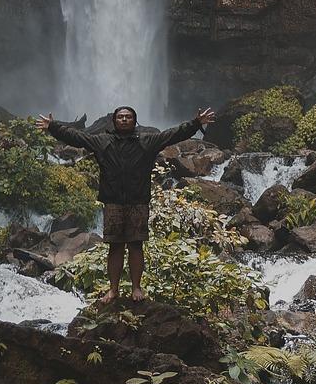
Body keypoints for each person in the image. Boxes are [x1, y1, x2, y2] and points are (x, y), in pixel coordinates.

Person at [35, 104, 215, 303]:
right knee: (115, 246)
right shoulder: (102, 141)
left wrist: (196, 123)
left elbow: (173, 135)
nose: (123, 119)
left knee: (136, 245)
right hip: (113, 201)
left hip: (138, 200)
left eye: (128, 117)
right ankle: (113, 290)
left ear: (134, 121)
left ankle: (136, 288)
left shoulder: (147, 141)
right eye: (120, 117)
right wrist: (53, 126)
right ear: (114, 121)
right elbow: (76, 137)